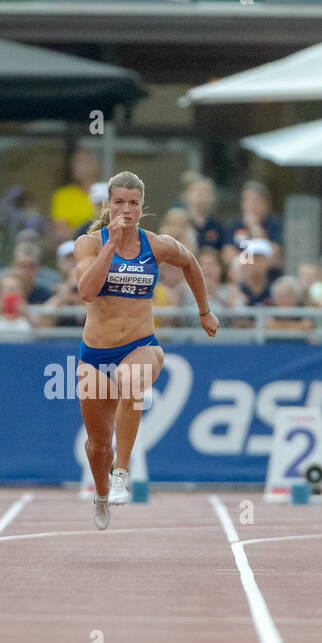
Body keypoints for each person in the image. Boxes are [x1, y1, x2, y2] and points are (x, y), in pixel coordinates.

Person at [75, 171, 219, 529]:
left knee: (132, 378)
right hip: (95, 354)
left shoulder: (157, 245)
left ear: (142, 207)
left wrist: (205, 310)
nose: (127, 209)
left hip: (141, 344)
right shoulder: (89, 244)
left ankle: (123, 471)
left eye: (134, 203)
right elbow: (86, 291)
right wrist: (112, 244)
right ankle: (103, 489)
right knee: (96, 446)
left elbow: (190, 263)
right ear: (109, 205)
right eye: (120, 202)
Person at [51, 148, 101, 240]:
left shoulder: (108, 192)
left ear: (95, 165)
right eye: (74, 163)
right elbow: (60, 232)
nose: (75, 166)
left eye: (81, 161)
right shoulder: (63, 195)